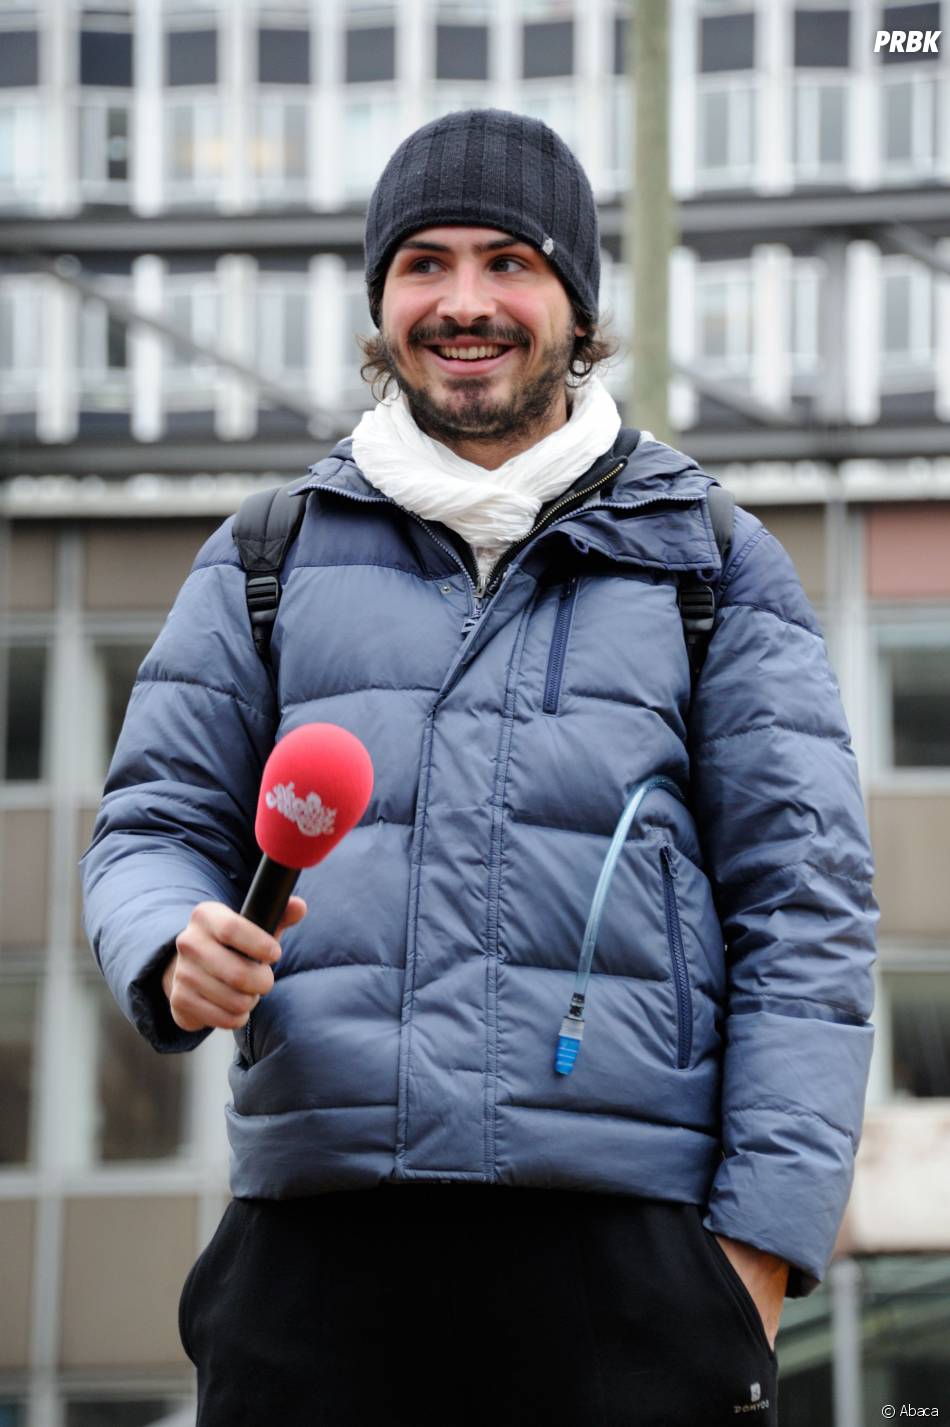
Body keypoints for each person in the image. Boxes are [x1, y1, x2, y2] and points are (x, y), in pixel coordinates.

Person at [80, 109, 878, 1427]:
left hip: (631, 1264)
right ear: (382, 298)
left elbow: (805, 920)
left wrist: (754, 1262)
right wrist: (170, 942)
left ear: (574, 299)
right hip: (314, 1259)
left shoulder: (712, 565)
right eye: (424, 264)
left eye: (508, 261)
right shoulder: (264, 556)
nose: (464, 302)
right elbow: (150, 823)